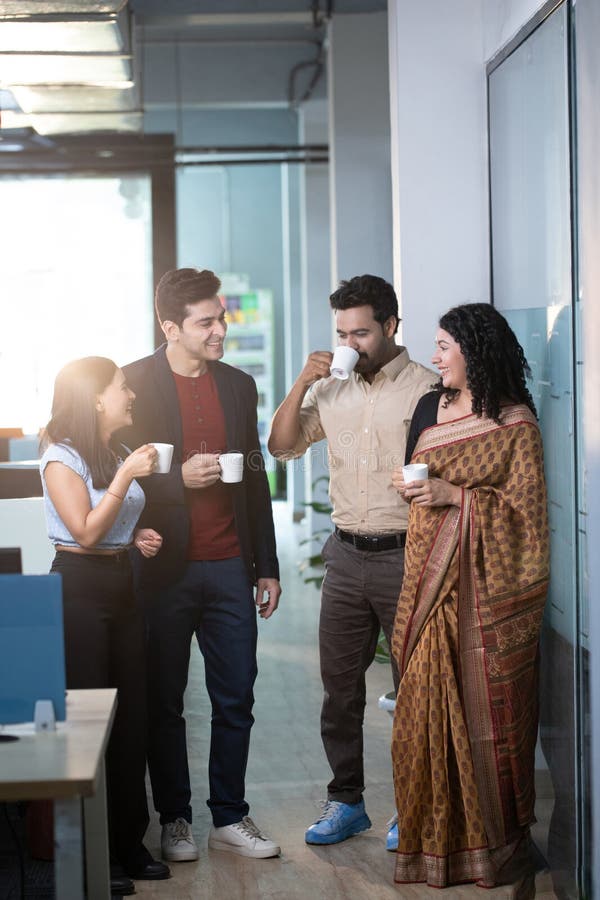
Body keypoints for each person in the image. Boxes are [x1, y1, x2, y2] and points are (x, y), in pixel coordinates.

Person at [119, 267, 281, 863]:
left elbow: (257, 474)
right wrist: (175, 479)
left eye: (221, 318)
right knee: (165, 700)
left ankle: (229, 817)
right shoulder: (133, 383)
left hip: (232, 563)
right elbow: (120, 473)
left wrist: (266, 563)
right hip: (167, 569)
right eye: (206, 322)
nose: (220, 330)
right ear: (171, 327)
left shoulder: (238, 384)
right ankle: (176, 819)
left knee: (236, 695)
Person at [390, 303, 549, 895]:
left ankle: (493, 853)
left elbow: (527, 521)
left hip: (478, 600)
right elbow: (418, 476)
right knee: (417, 719)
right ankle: (434, 846)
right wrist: (413, 487)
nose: (435, 357)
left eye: (443, 346)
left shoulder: (515, 424)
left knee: (490, 731)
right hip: (426, 589)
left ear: (475, 353)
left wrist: (454, 496)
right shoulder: (434, 407)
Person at [268, 274, 432, 847]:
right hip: (345, 557)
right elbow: (282, 445)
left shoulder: (427, 389)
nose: (350, 343)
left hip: (407, 555)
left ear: (390, 326)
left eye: (361, 332)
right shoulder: (330, 388)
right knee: (340, 691)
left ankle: (413, 808)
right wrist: (300, 383)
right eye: (341, 332)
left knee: (416, 690)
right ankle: (346, 803)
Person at [39, 356, 170, 896]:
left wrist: (135, 537)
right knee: (93, 725)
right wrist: (122, 483)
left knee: (133, 718)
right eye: (121, 388)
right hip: (79, 591)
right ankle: (95, 852)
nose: (130, 396)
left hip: (121, 587)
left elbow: (109, 526)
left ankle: (128, 843)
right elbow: (84, 534)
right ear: (95, 398)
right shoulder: (60, 457)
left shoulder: (113, 450)